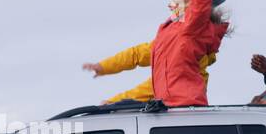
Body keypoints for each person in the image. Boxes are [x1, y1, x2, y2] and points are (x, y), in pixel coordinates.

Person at [82, 42, 216, 104]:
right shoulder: (184, 43)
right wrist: (104, 66)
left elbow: (157, 86)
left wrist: (115, 103)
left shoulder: (180, 43)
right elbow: (138, 54)